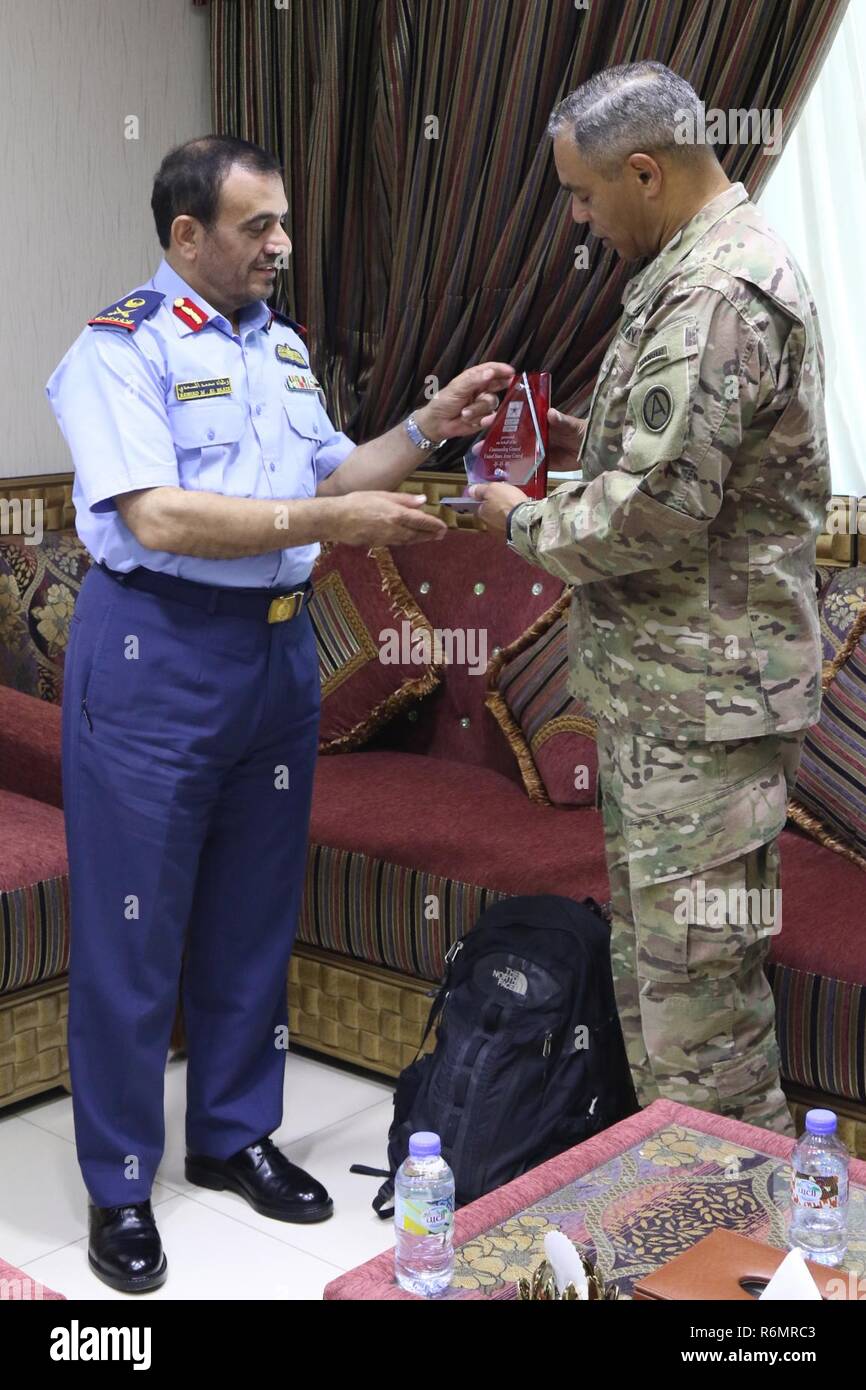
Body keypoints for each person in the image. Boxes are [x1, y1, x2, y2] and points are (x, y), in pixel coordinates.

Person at [46, 133, 513, 1293]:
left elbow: (328, 473)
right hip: (156, 653)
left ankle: (228, 1136)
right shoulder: (118, 351)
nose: (283, 246)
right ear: (186, 235)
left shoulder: (283, 348)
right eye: (259, 227)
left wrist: (429, 430)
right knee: (133, 929)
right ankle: (116, 1179)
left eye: (284, 223)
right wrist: (319, 529)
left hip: (272, 662)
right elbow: (155, 517)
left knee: (256, 914)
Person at [471, 62, 830, 1138]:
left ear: (643, 169)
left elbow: (654, 517)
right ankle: (682, 1235)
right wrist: (591, 448)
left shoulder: (716, 288)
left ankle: (745, 1266)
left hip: (701, 718)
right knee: (659, 995)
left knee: (700, 1024)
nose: (578, 217)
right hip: (672, 712)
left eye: (583, 194)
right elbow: (684, 472)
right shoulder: (692, 268)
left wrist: (517, 520)